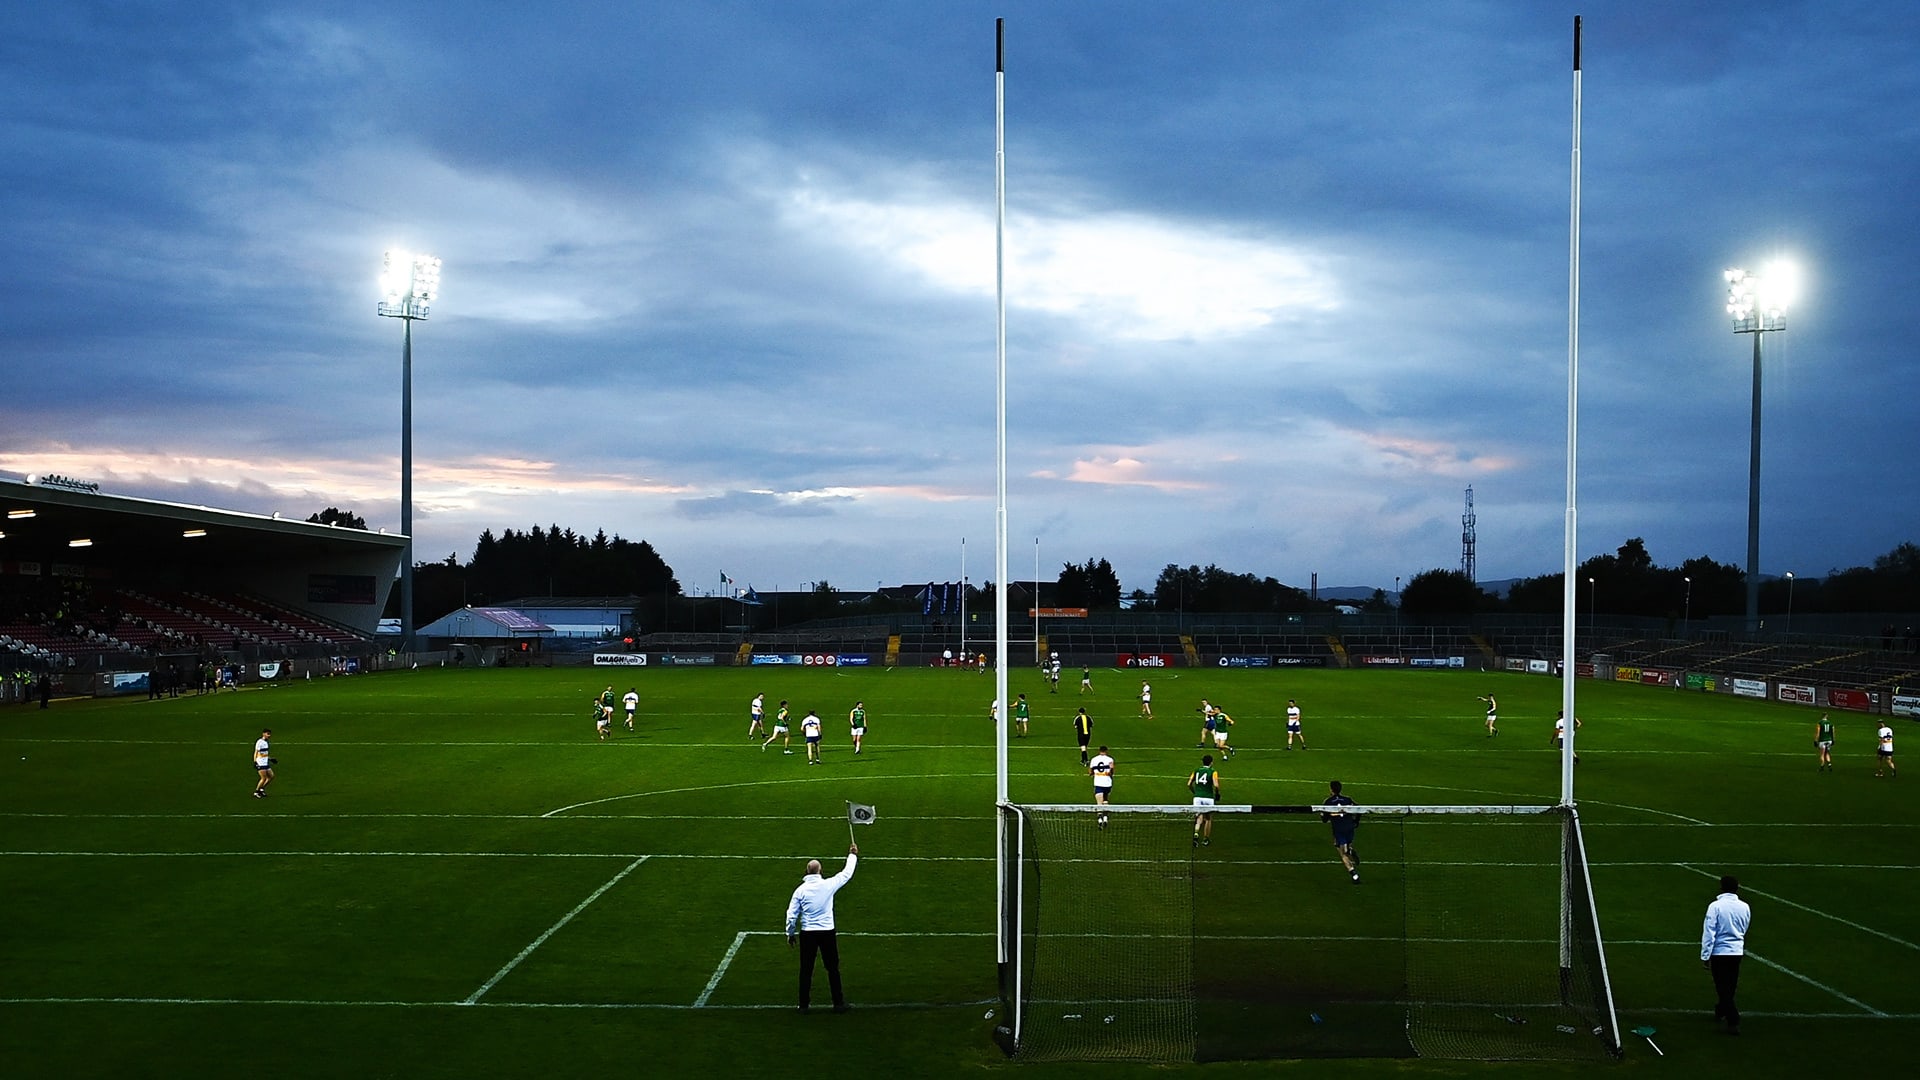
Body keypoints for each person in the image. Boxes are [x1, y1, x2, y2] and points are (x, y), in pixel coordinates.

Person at [785, 843, 859, 1014]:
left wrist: (790, 934)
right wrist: (852, 855)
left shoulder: (800, 891)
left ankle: (803, 1006)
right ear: (820, 870)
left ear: (806, 871)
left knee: (806, 970)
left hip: (808, 934)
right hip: (827, 932)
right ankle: (838, 1003)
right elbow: (846, 874)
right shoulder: (828, 885)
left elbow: (791, 915)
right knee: (832, 968)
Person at [1701, 875, 1752, 1035]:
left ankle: (1733, 1019)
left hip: (1720, 952)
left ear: (1721, 887)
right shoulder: (1744, 907)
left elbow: (1709, 932)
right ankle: (1721, 1009)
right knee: (1730, 985)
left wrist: (1705, 955)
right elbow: (1745, 926)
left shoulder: (1715, 906)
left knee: (1722, 986)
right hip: (1736, 951)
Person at [1322, 780, 1360, 883]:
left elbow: (1324, 820)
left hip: (1339, 829)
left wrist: (1326, 815)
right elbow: (1359, 809)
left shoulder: (1328, 802)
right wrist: (1356, 821)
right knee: (1346, 845)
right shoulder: (1347, 799)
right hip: (1349, 827)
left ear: (1331, 789)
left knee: (1343, 853)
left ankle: (1354, 875)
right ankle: (1350, 850)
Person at [1188, 754, 1221, 847]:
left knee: (1199, 817)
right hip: (1208, 798)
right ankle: (1206, 839)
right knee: (1208, 819)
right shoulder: (1213, 771)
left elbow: (1189, 784)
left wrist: (1194, 792)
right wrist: (1217, 794)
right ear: (1211, 762)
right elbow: (1216, 785)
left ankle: (1196, 833)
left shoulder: (1196, 771)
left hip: (1197, 797)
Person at [1088, 745, 1115, 828]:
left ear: (1099, 751)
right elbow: (1111, 772)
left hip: (1099, 782)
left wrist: (1094, 773)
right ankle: (1106, 818)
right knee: (1105, 799)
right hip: (1107, 783)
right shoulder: (1110, 759)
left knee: (1099, 802)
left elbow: (1090, 772)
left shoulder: (1094, 759)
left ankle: (1100, 820)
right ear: (1106, 751)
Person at [252, 728, 274, 798]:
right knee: (263, 778)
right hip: (261, 763)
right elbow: (256, 752)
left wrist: (270, 759)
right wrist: (255, 762)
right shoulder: (259, 742)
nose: (269, 735)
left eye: (269, 734)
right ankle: (256, 792)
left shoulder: (266, 742)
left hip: (266, 762)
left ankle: (261, 789)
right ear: (263, 734)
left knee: (271, 776)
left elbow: (264, 753)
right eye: (268, 734)